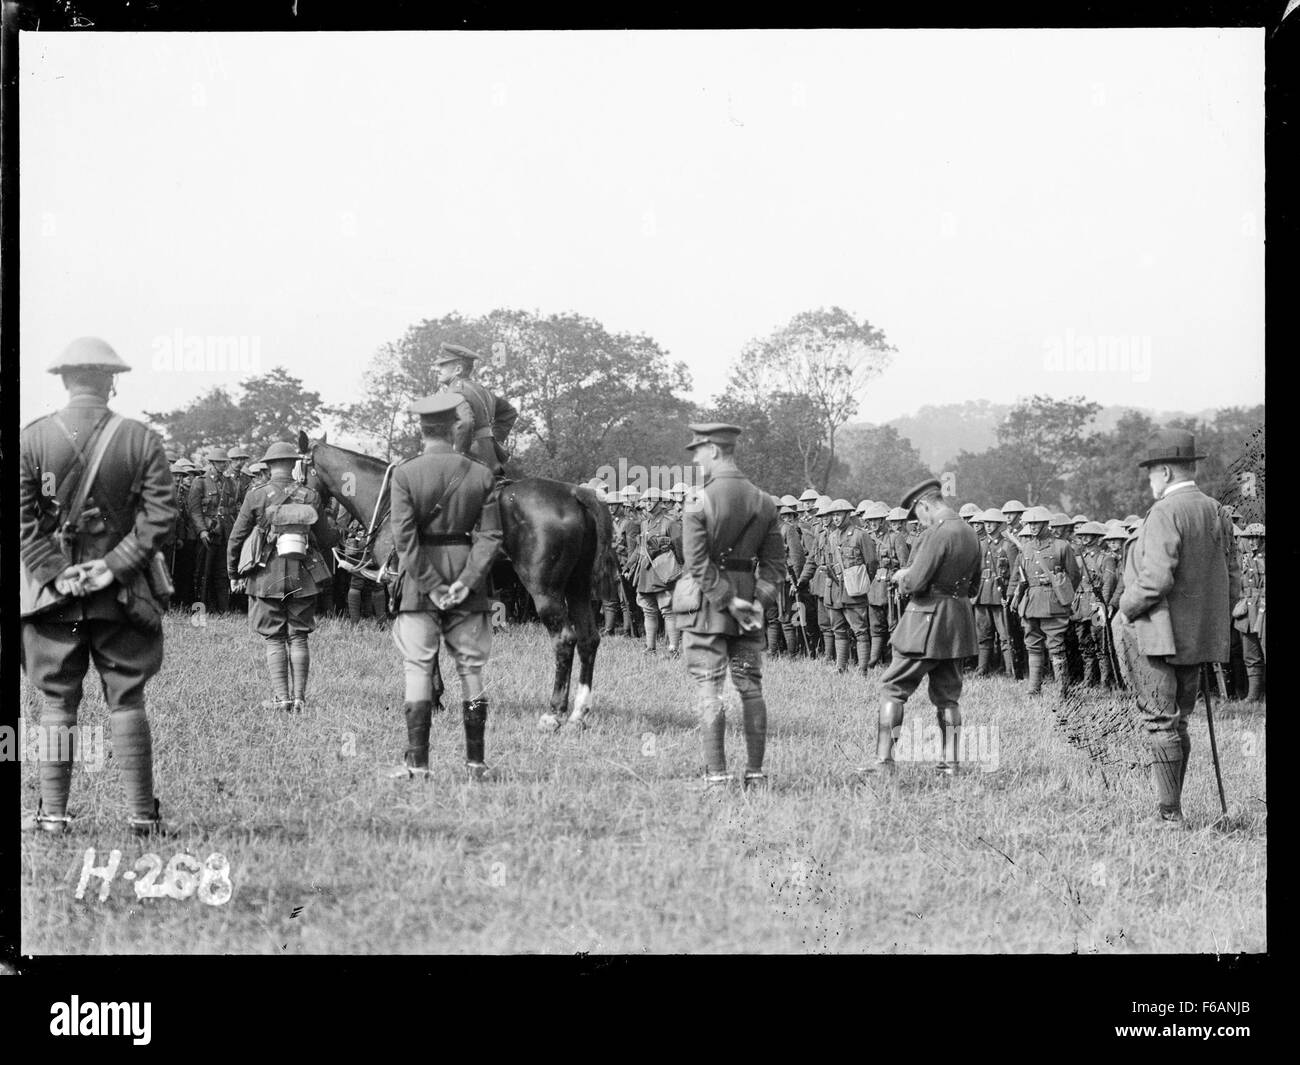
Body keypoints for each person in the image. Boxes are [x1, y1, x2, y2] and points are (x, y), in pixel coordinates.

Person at [20, 337, 175, 835]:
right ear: (111, 381)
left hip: (52, 599)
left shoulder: (32, 438)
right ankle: (140, 819)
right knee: (127, 699)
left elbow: (20, 521)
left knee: (57, 702)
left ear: (64, 380)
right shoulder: (141, 438)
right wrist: (114, 566)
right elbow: (160, 517)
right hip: (122, 593)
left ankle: (52, 817)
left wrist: (53, 571)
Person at [1115, 429, 1241, 828]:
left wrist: (1124, 607)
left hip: (1156, 634)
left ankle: (1169, 815)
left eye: (1151, 473)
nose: (1150, 481)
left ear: (1165, 471)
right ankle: (1172, 809)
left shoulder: (1166, 512)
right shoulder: (1217, 510)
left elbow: (1155, 579)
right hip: (1197, 635)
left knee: (1161, 722)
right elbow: (1233, 576)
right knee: (1177, 721)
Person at [388, 391, 505, 781]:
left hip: (419, 587)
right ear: (455, 427)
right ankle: (476, 764)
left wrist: (433, 586)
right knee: (471, 671)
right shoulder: (481, 474)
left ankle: (418, 766)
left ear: (420, 430)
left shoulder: (404, 474)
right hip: (468, 585)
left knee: (418, 669)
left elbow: (404, 540)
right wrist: (465, 581)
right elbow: (490, 538)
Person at [677, 424, 784, 790]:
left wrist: (726, 599)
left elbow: (697, 563)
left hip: (708, 609)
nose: (694, 458)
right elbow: (775, 567)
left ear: (715, 451)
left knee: (709, 689)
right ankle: (756, 774)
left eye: (698, 451)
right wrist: (755, 602)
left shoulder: (698, 500)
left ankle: (717, 776)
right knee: (751, 688)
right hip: (750, 613)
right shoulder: (765, 501)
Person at [860, 480, 982, 776]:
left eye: (918, 514)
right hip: (957, 624)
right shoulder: (969, 532)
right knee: (948, 697)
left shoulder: (936, 533)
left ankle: (884, 764)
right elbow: (975, 584)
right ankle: (951, 764)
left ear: (925, 505)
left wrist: (902, 576)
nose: (919, 521)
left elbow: (916, 582)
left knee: (893, 688)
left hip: (925, 622)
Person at [227, 442, 338, 713]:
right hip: (303, 576)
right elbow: (326, 538)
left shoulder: (256, 495)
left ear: (268, 466)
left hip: (266, 576)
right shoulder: (310, 495)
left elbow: (237, 538)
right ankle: (300, 699)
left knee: (274, 638)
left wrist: (233, 572)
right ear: (293, 464)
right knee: (298, 636)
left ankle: (282, 698)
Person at [1010, 505, 1080, 695]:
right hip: (1031, 602)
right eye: (1030, 523)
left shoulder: (1061, 546)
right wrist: (1017, 596)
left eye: (1037, 523)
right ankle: (1034, 689)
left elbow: (1074, 575)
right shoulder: (1026, 548)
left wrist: (1060, 590)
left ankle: (1063, 690)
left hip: (1053, 603)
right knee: (1032, 644)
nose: (1032, 527)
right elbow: (1021, 576)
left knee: (1056, 645)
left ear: (1046, 523)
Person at [433, 342, 519, 479]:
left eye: (442, 365)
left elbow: (465, 423)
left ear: (458, 369)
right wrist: (495, 439)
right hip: (491, 461)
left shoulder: (455, 392)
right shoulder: (481, 390)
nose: (437, 369)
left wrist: (457, 457)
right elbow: (509, 412)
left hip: (471, 464)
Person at [823, 498, 878, 674]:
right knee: (838, 629)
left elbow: (871, 564)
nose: (836, 518)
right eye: (833, 515)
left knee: (860, 630)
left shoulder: (860, 535)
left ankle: (863, 670)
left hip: (854, 591)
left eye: (839, 514)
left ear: (848, 515)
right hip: (836, 591)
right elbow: (830, 562)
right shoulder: (832, 537)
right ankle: (841, 667)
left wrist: (860, 583)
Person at [633, 486, 684, 657]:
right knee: (648, 610)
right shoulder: (644, 524)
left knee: (668, 611)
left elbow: (680, 548)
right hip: (647, 573)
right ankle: (650, 647)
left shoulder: (670, 523)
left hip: (665, 573)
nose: (647, 504)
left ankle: (673, 649)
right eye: (645, 501)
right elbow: (641, 549)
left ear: (661, 503)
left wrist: (682, 567)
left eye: (651, 500)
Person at [188, 445, 236, 612]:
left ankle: (223, 609)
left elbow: (233, 508)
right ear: (213, 463)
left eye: (225, 462)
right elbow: (194, 510)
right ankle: (200, 609)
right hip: (208, 533)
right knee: (203, 573)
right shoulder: (200, 482)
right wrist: (201, 530)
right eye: (220, 462)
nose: (224, 465)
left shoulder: (229, 483)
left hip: (224, 533)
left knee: (222, 573)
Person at [973, 507, 1019, 677]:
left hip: (1000, 594)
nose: (988, 526)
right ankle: (982, 669)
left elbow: (1015, 573)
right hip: (981, 593)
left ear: (1000, 525)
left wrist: (1010, 594)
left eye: (992, 523)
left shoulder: (1009, 546)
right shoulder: (980, 544)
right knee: (983, 634)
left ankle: (1009, 670)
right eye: (986, 523)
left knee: (1005, 635)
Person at [1232, 523, 1265, 702]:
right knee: (1249, 654)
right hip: (1247, 611)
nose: (1253, 541)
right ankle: (1252, 695)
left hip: (1262, 610)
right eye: (1249, 538)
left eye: (1257, 537)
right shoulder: (1243, 559)